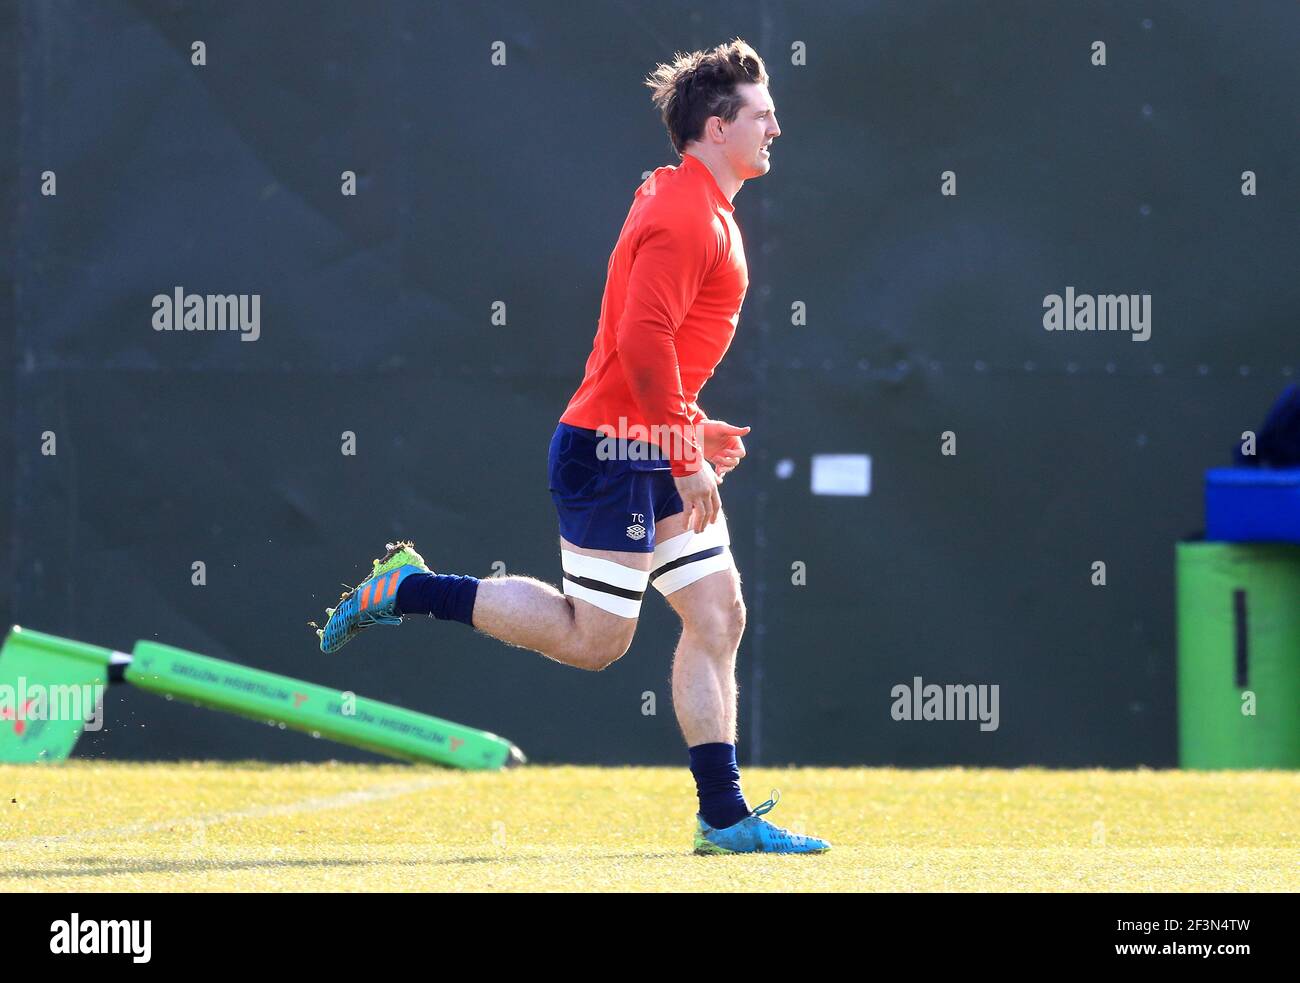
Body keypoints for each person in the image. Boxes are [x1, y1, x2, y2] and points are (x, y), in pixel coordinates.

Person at [314, 38, 828, 856]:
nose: (777, 128)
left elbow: (656, 358)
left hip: (649, 442)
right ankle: (412, 588)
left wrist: (689, 427)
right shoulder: (682, 212)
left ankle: (723, 817)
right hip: (612, 451)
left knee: (717, 611)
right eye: (763, 116)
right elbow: (640, 343)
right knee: (597, 641)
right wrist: (683, 447)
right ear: (717, 126)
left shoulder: (700, 205)